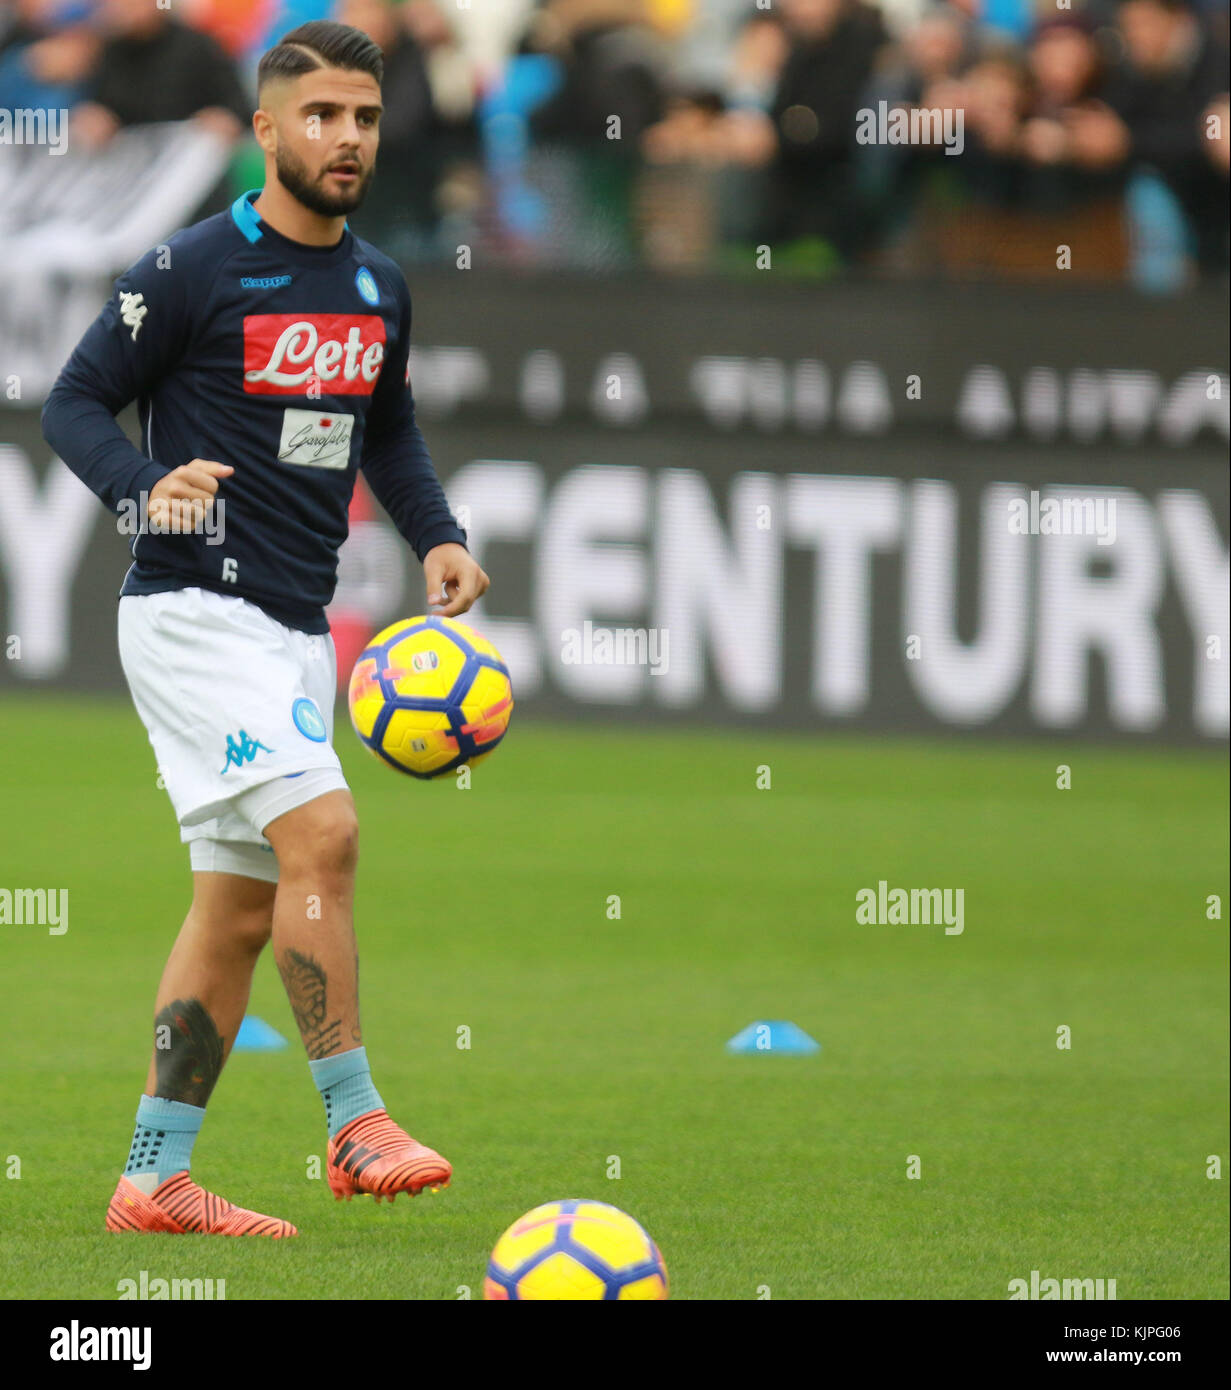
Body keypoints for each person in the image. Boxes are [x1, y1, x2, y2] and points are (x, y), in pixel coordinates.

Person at [41, 19, 489, 1237]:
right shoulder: (191, 267)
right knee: (327, 833)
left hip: (292, 624)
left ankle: (153, 1175)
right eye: (321, 116)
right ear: (267, 130)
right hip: (192, 610)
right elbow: (72, 400)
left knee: (240, 906)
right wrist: (142, 488)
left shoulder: (375, 284)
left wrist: (436, 532)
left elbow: (382, 429)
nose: (345, 139)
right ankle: (353, 1120)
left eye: (363, 118)